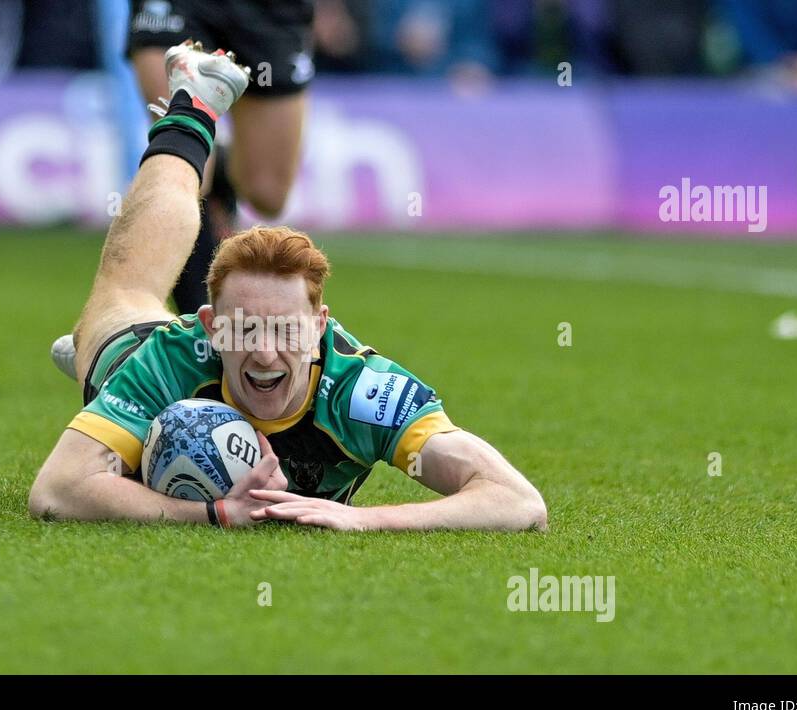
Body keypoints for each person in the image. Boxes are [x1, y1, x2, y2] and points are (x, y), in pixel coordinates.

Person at [30, 42, 546, 532]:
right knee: (126, 290)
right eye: (245, 329)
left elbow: (518, 501)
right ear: (210, 327)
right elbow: (57, 491)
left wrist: (362, 518)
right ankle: (194, 106)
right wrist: (216, 514)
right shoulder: (168, 363)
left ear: (320, 328)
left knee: (264, 191)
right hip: (134, 344)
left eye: (286, 330)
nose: (265, 353)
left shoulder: (362, 393)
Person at [127, 0, 314, 315]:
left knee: (267, 193)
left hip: (268, 13)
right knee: (189, 163)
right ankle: (193, 327)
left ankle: (219, 181)